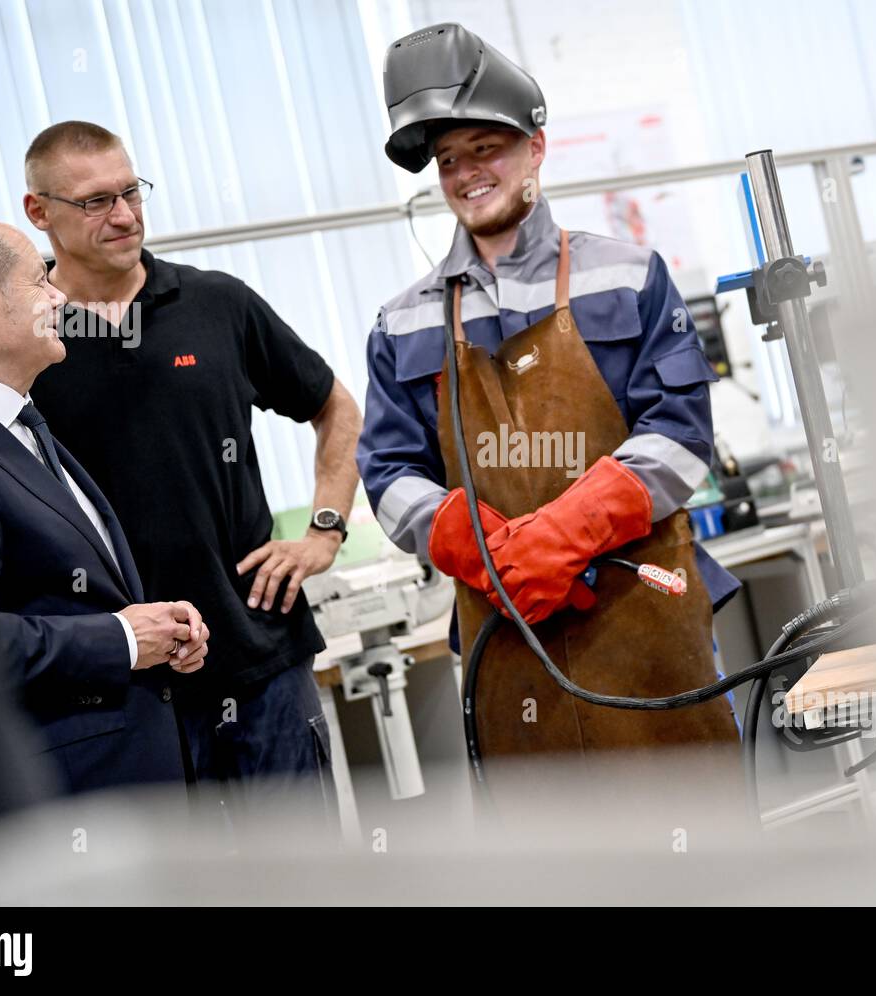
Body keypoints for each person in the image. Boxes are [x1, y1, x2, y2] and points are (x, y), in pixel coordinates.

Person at [357, 24, 742, 759]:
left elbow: (683, 429)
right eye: (447, 159)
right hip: (503, 633)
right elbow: (388, 471)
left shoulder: (628, 275)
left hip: (638, 611)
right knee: (550, 859)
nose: (467, 173)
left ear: (535, 147)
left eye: (484, 148)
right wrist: (484, 550)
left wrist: (568, 534)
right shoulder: (402, 322)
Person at [22, 122, 360, 814]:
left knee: (307, 882)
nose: (123, 216)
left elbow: (337, 409)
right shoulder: (26, 338)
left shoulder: (217, 304)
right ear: (39, 212)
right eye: (94, 202)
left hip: (258, 656)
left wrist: (325, 529)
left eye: (131, 192)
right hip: (127, 683)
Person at [0, 220, 208, 795]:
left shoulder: (22, 426)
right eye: (39, 282)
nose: (60, 297)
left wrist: (156, 630)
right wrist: (123, 640)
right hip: (68, 797)